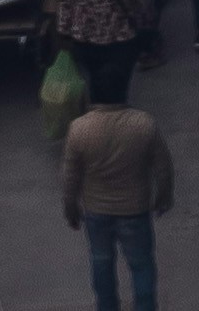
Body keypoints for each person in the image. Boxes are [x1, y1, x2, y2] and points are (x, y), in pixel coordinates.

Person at [57, 91, 175, 310]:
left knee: (102, 264)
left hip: (96, 213)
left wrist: (70, 208)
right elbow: (163, 167)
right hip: (135, 210)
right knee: (141, 266)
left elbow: (69, 177)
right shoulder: (143, 123)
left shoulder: (79, 128)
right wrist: (164, 196)